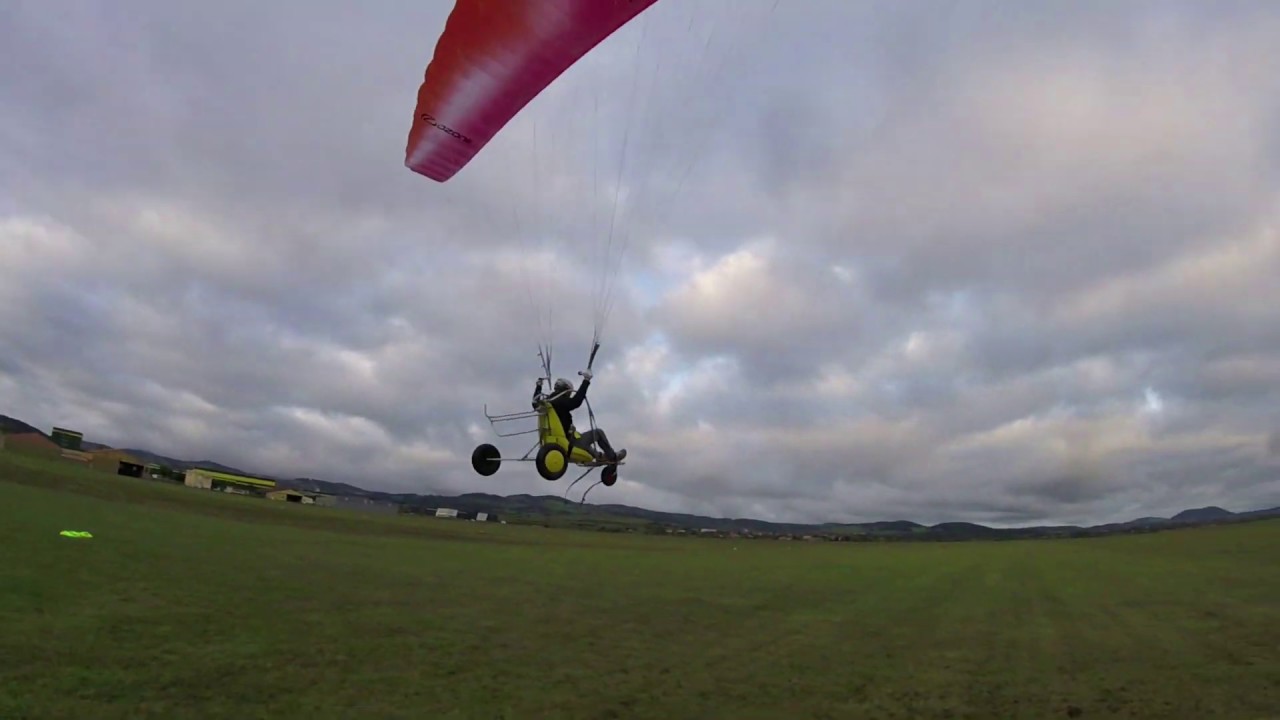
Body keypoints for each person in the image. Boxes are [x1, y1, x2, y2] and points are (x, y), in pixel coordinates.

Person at [533, 371, 626, 463]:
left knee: (582, 439)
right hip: (570, 442)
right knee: (598, 433)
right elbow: (576, 402)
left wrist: (539, 386)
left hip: (558, 440)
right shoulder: (559, 400)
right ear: (565, 389)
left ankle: (599, 456)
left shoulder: (547, 402)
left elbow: (534, 403)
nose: (569, 395)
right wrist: (586, 381)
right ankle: (612, 457)